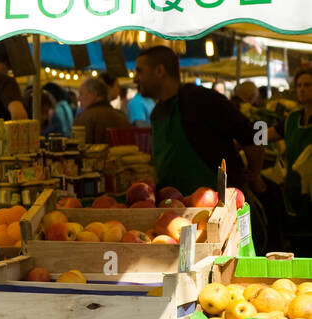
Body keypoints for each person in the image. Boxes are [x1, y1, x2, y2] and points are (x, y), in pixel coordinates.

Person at [133, 45, 265, 197]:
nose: (135, 79)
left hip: (219, 207)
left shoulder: (199, 99)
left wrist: (255, 174)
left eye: (139, 71)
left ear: (159, 71)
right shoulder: (157, 113)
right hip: (174, 207)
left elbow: (259, 130)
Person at [282, 69, 312, 255]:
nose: (302, 89)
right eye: (299, 85)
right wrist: (245, 138)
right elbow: (265, 133)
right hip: (293, 195)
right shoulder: (291, 119)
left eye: (308, 85)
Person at [73, 76, 130, 144]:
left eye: (81, 94)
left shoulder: (83, 118)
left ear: (94, 94)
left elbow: (78, 147)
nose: (79, 99)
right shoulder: (122, 117)